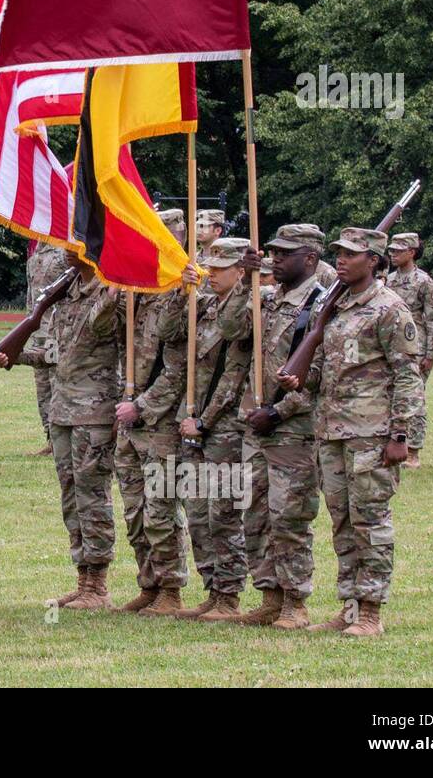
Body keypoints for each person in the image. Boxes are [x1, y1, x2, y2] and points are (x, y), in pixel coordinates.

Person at [278, 227, 423, 637]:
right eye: (338, 253)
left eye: (352, 254)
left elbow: (407, 375)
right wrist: (301, 379)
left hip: (371, 435)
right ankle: (350, 607)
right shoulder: (336, 306)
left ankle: (372, 611)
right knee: (341, 522)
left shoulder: (389, 309)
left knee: (370, 522)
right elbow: (329, 366)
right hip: (333, 432)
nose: (341, 260)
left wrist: (399, 435)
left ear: (373, 261)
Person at [0, 253, 119, 611]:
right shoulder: (69, 291)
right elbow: (58, 352)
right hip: (62, 409)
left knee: (92, 497)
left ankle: (98, 585)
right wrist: (15, 355)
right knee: (71, 497)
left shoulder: (110, 293)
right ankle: (83, 578)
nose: (67, 248)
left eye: (76, 240)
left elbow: (100, 326)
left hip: (94, 411)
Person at [227, 224, 326, 629]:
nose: (276, 259)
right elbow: (232, 329)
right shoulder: (265, 297)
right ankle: (269, 594)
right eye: (273, 252)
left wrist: (281, 412)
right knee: (255, 514)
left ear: (311, 259)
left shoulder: (323, 304)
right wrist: (243, 281)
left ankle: (295, 602)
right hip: (256, 422)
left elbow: (322, 376)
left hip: (293, 428)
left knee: (289, 516)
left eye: (286, 253)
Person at [93, 206, 185, 612]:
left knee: (161, 507)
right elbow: (97, 327)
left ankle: (170, 589)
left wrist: (141, 408)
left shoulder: (183, 294)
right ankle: (148, 584)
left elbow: (179, 370)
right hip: (128, 418)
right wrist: (114, 290)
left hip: (157, 420)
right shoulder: (134, 290)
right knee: (134, 510)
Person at [165, 238, 252, 622]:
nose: (211, 273)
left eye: (220, 267)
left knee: (224, 513)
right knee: (198, 512)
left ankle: (230, 595)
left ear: (241, 269)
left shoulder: (250, 306)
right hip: (195, 422)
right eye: (208, 266)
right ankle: (212, 589)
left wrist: (205, 422)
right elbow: (170, 332)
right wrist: (182, 293)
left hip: (224, 426)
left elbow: (233, 375)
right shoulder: (206, 303)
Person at [385, 232, 433, 468]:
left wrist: (431, 354)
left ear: (412, 252)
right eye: (391, 250)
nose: (393, 254)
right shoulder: (388, 281)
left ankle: (413, 452)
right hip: (391, 350)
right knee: (392, 398)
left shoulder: (423, 282)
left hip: (415, 352)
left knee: (414, 400)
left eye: (398, 250)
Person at [25, 240, 68, 456]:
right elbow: (31, 299)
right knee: (42, 389)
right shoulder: (34, 256)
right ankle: (50, 439)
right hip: (38, 334)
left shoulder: (63, 253)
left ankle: (61, 440)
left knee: (56, 385)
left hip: (57, 333)